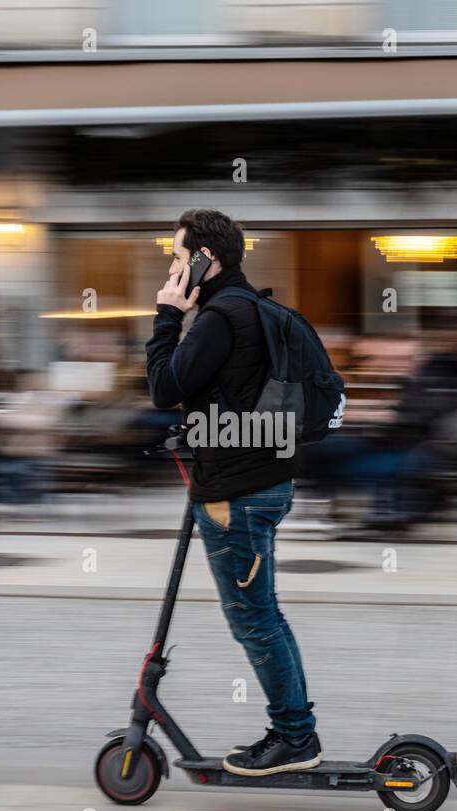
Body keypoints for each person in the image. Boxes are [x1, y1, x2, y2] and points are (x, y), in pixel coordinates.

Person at [145, 209, 320, 776]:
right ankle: (296, 729)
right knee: (263, 613)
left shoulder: (222, 316)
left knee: (253, 618)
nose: (171, 268)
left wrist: (167, 317)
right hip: (263, 481)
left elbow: (164, 386)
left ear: (205, 259)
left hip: (235, 493)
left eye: (177, 257)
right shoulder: (256, 309)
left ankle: (294, 737)